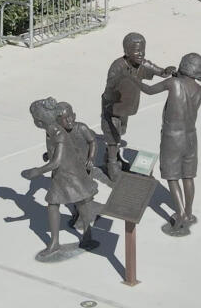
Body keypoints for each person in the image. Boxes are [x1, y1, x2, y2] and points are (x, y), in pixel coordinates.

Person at [20, 99, 99, 258]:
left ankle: (85, 235)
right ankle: (58, 242)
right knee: (56, 203)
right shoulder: (53, 129)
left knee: (78, 202)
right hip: (62, 175)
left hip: (71, 174)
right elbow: (56, 154)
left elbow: (56, 161)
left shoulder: (57, 132)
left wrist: (37, 171)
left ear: (40, 121)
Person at [140, 51, 201, 233]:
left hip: (172, 137)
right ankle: (189, 212)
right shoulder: (200, 90)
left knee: (172, 176)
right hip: (191, 137)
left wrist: (134, 80)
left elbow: (149, 90)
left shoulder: (173, 83)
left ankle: (181, 214)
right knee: (188, 176)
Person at [99, 31, 163, 177]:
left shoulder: (142, 65)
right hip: (113, 107)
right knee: (113, 135)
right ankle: (112, 162)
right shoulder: (117, 66)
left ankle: (111, 156)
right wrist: (121, 80)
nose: (140, 54)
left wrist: (166, 71)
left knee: (120, 132)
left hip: (126, 107)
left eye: (143, 50)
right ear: (126, 52)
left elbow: (157, 70)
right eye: (136, 51)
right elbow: (109, 87)